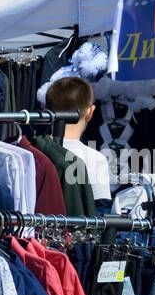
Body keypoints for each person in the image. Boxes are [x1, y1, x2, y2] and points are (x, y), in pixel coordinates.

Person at [45, 75, 111, 206]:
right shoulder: (95, 159)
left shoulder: (29, 152)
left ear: (47, 110)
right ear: (90, 112)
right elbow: (99, 211)